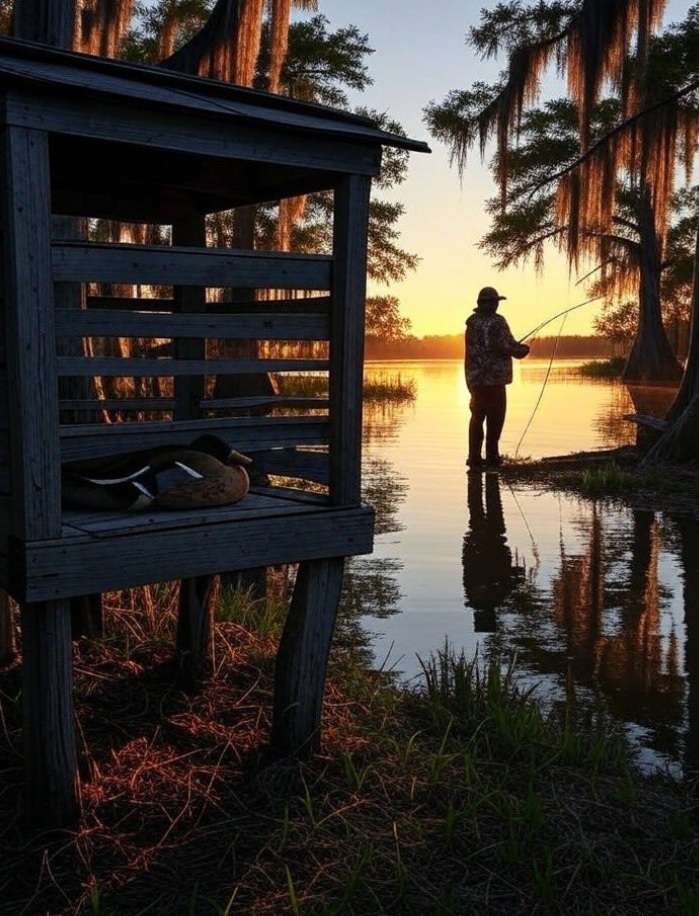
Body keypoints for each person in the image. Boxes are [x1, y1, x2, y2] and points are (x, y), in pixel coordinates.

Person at [464, 286, 530, 468]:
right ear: (492, 304)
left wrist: (470, 381)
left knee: (477, 418)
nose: (496, 306)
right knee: (495, 421)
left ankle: (474, 459)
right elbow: (507, 347)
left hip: (475, 381)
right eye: (495, 302)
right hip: (495, 382)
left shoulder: (471, 324)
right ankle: (492, 458)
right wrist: (524, 349)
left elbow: (472, 353)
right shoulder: (497, 322)